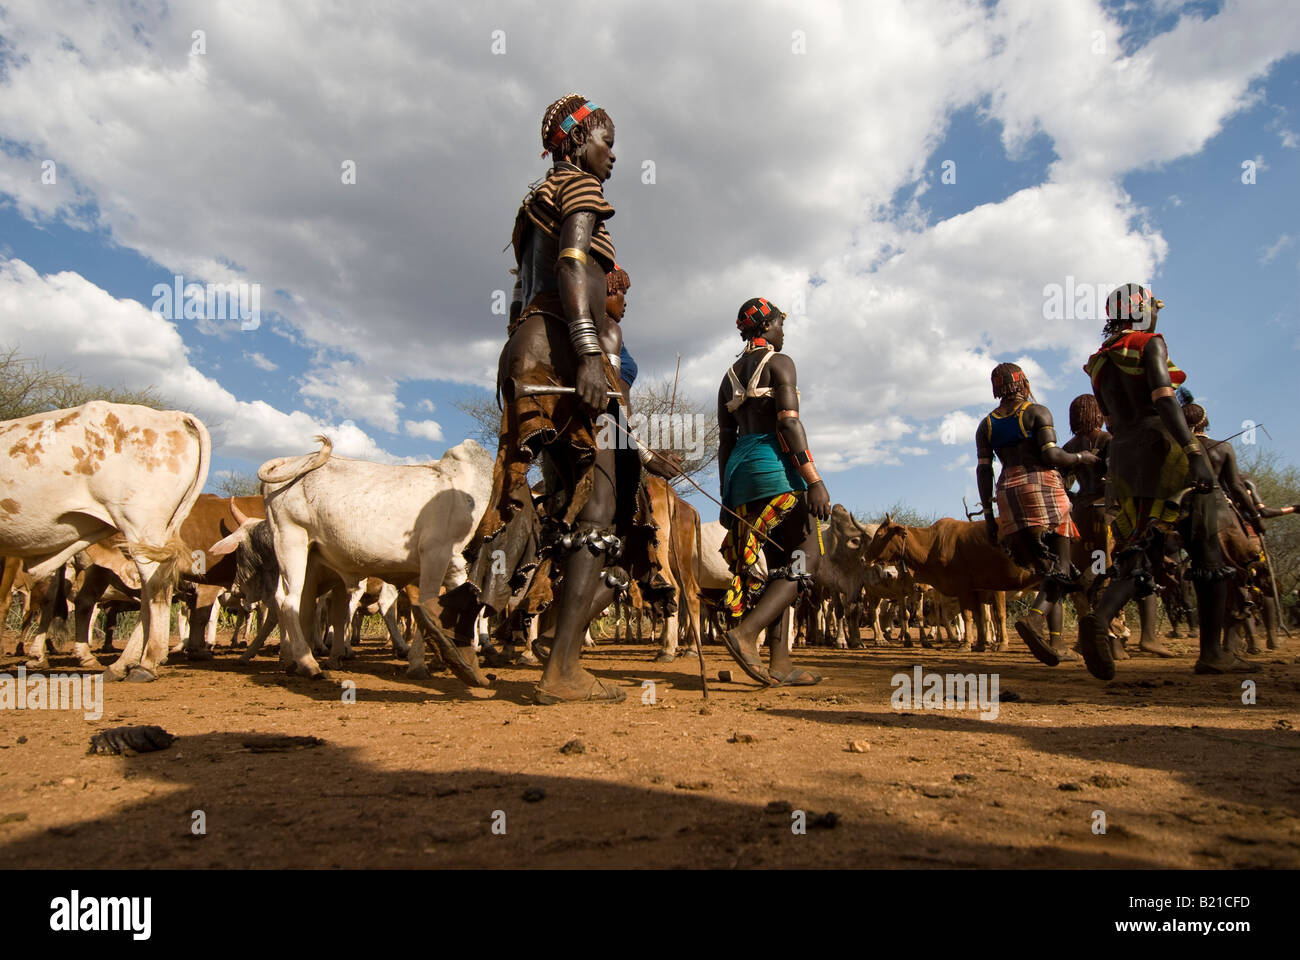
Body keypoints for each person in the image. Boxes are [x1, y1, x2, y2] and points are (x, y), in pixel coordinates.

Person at [438, 94, 674, 703]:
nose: (613, 154)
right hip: (564, 359)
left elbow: (522, 302)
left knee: (529, 501)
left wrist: (534, 357)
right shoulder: (578, 190)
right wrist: (590, 351)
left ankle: (460, 613)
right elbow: (573, 267)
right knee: (598, 513)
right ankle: (563, 668)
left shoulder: (532, 205)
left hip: (529, 355)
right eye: (604, 140)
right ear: (574, 144)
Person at [1079, 284, 1255, 678]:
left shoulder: (1099, 362)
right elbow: (1162, 398)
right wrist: (1194, 452)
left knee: (1142, 546)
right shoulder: (1149, 344)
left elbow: (1111, 416)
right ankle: (1213, 653)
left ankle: (1101, 616)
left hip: (1124, 457)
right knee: (1207, 549)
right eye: (1152, 309)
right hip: (1162, 449)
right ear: (1142, 312)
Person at [716, 298, 831, 686]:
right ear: (766, 326)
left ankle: (779, 662)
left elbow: (724, 444)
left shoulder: (728, 377)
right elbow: (789, 425)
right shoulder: (781, 363)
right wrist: (813, 479)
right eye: (781, 323)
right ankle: (746, 635)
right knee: (807, 559)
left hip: (741, 476)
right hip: (775, 471)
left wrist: (726, 497)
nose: (784, 331)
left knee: (782, 567)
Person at [976, 365, 1098, 666]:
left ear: (996, 388)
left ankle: (1057, 642)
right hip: (1040, 487)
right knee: (1063, 564)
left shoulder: (987, 425)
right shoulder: (1037, 412)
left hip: (1007, 493)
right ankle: (1034, 619)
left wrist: (990, 517)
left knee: (1049, 572)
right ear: (1023, 383)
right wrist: (1084, 458)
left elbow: (983, 470)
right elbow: (1051, 456)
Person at [1063, 394, 1170, 659]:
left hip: (1079, 516)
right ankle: (1114, 642)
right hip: (1106, 516)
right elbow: (1114, 478)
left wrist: (1078, 502)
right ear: (1099, 413)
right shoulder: (1110, 441)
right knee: (1109, 573)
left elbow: (1063, 487)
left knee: (1084, 577)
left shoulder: (1068, 447)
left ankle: (1089, 636)